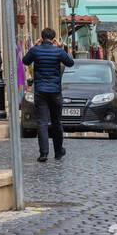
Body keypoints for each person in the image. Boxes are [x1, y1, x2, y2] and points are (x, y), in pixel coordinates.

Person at [22, 27, 74, 163]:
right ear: (53, 39)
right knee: (57, 122)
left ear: (41, 38)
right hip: (55, 91)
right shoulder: (58, 52)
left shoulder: (35, 51)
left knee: (42, 122)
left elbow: (25, 61)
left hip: (41, 91)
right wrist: (61, 47)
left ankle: (43, 153)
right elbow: (70, 62)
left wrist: (34, 46)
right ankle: (58, 152)